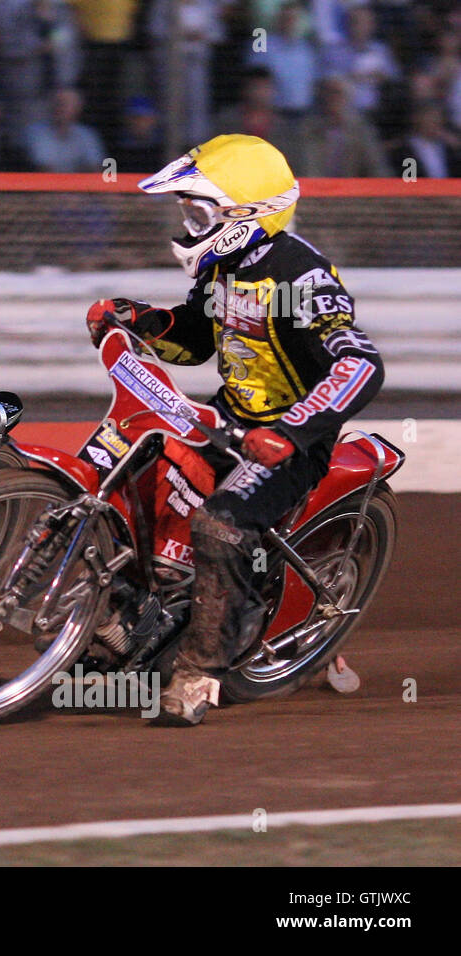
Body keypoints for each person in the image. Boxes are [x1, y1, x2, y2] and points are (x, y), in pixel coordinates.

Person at [85, 134, 384, 725]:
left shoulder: (300, 277)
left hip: (293, 441)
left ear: (244, 216)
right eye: (187, 213)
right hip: (230, 419)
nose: (190, 225)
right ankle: (128, 617)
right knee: (134, 467)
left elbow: (360, 364)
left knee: (219, 524)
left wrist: (292, 432)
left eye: (200, 213)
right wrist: (137, 318)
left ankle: (199, 671)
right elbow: (195, 338)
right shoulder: (222, 266)